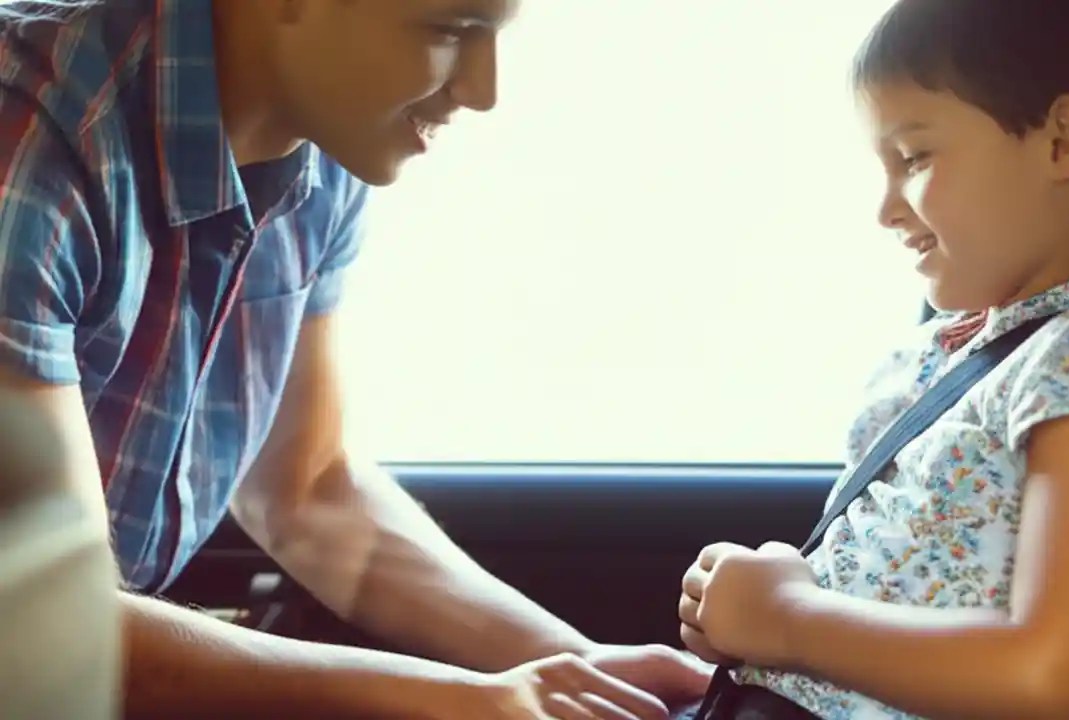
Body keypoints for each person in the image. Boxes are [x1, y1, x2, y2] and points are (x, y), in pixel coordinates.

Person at [0, 0, 709, 718]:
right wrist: (468, 701)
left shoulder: (320, 141)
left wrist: (580, 667)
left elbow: (306, 493)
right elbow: (51, 624)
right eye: (449, 30)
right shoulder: (29, 144)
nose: (482, 91)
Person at [678, 1, 1069, 718]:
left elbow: (1048, 675)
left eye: (915, 159)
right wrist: (750, 624)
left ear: (1061, 142)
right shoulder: (972, 348)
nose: (886, 209)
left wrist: (785, 620)